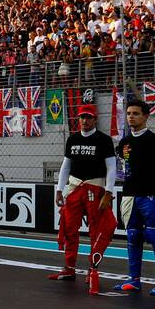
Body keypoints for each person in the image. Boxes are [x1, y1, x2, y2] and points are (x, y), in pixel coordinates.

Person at [49, 104, 117, 294]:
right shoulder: (73, 139)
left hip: (95, 188)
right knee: (69, 228)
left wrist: (108, 192)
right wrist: (59, 190)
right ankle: (69, 268)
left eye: (88, 117)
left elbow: (111, 167)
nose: (85, 121)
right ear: (78, 119)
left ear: (95, 119)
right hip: (74, 188)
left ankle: (92, 269)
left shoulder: (103, 140)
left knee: (97, 230)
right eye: (82, 117)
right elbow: (65, 166)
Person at [116, 98, 155, 296]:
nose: (131, 117)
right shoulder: (124, 142)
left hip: (151, 196)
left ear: (146, 116)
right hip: (129, 196)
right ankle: (134, 280)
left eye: (136, 113)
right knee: (133, 237)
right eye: (129, 113)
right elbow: (122, 168)